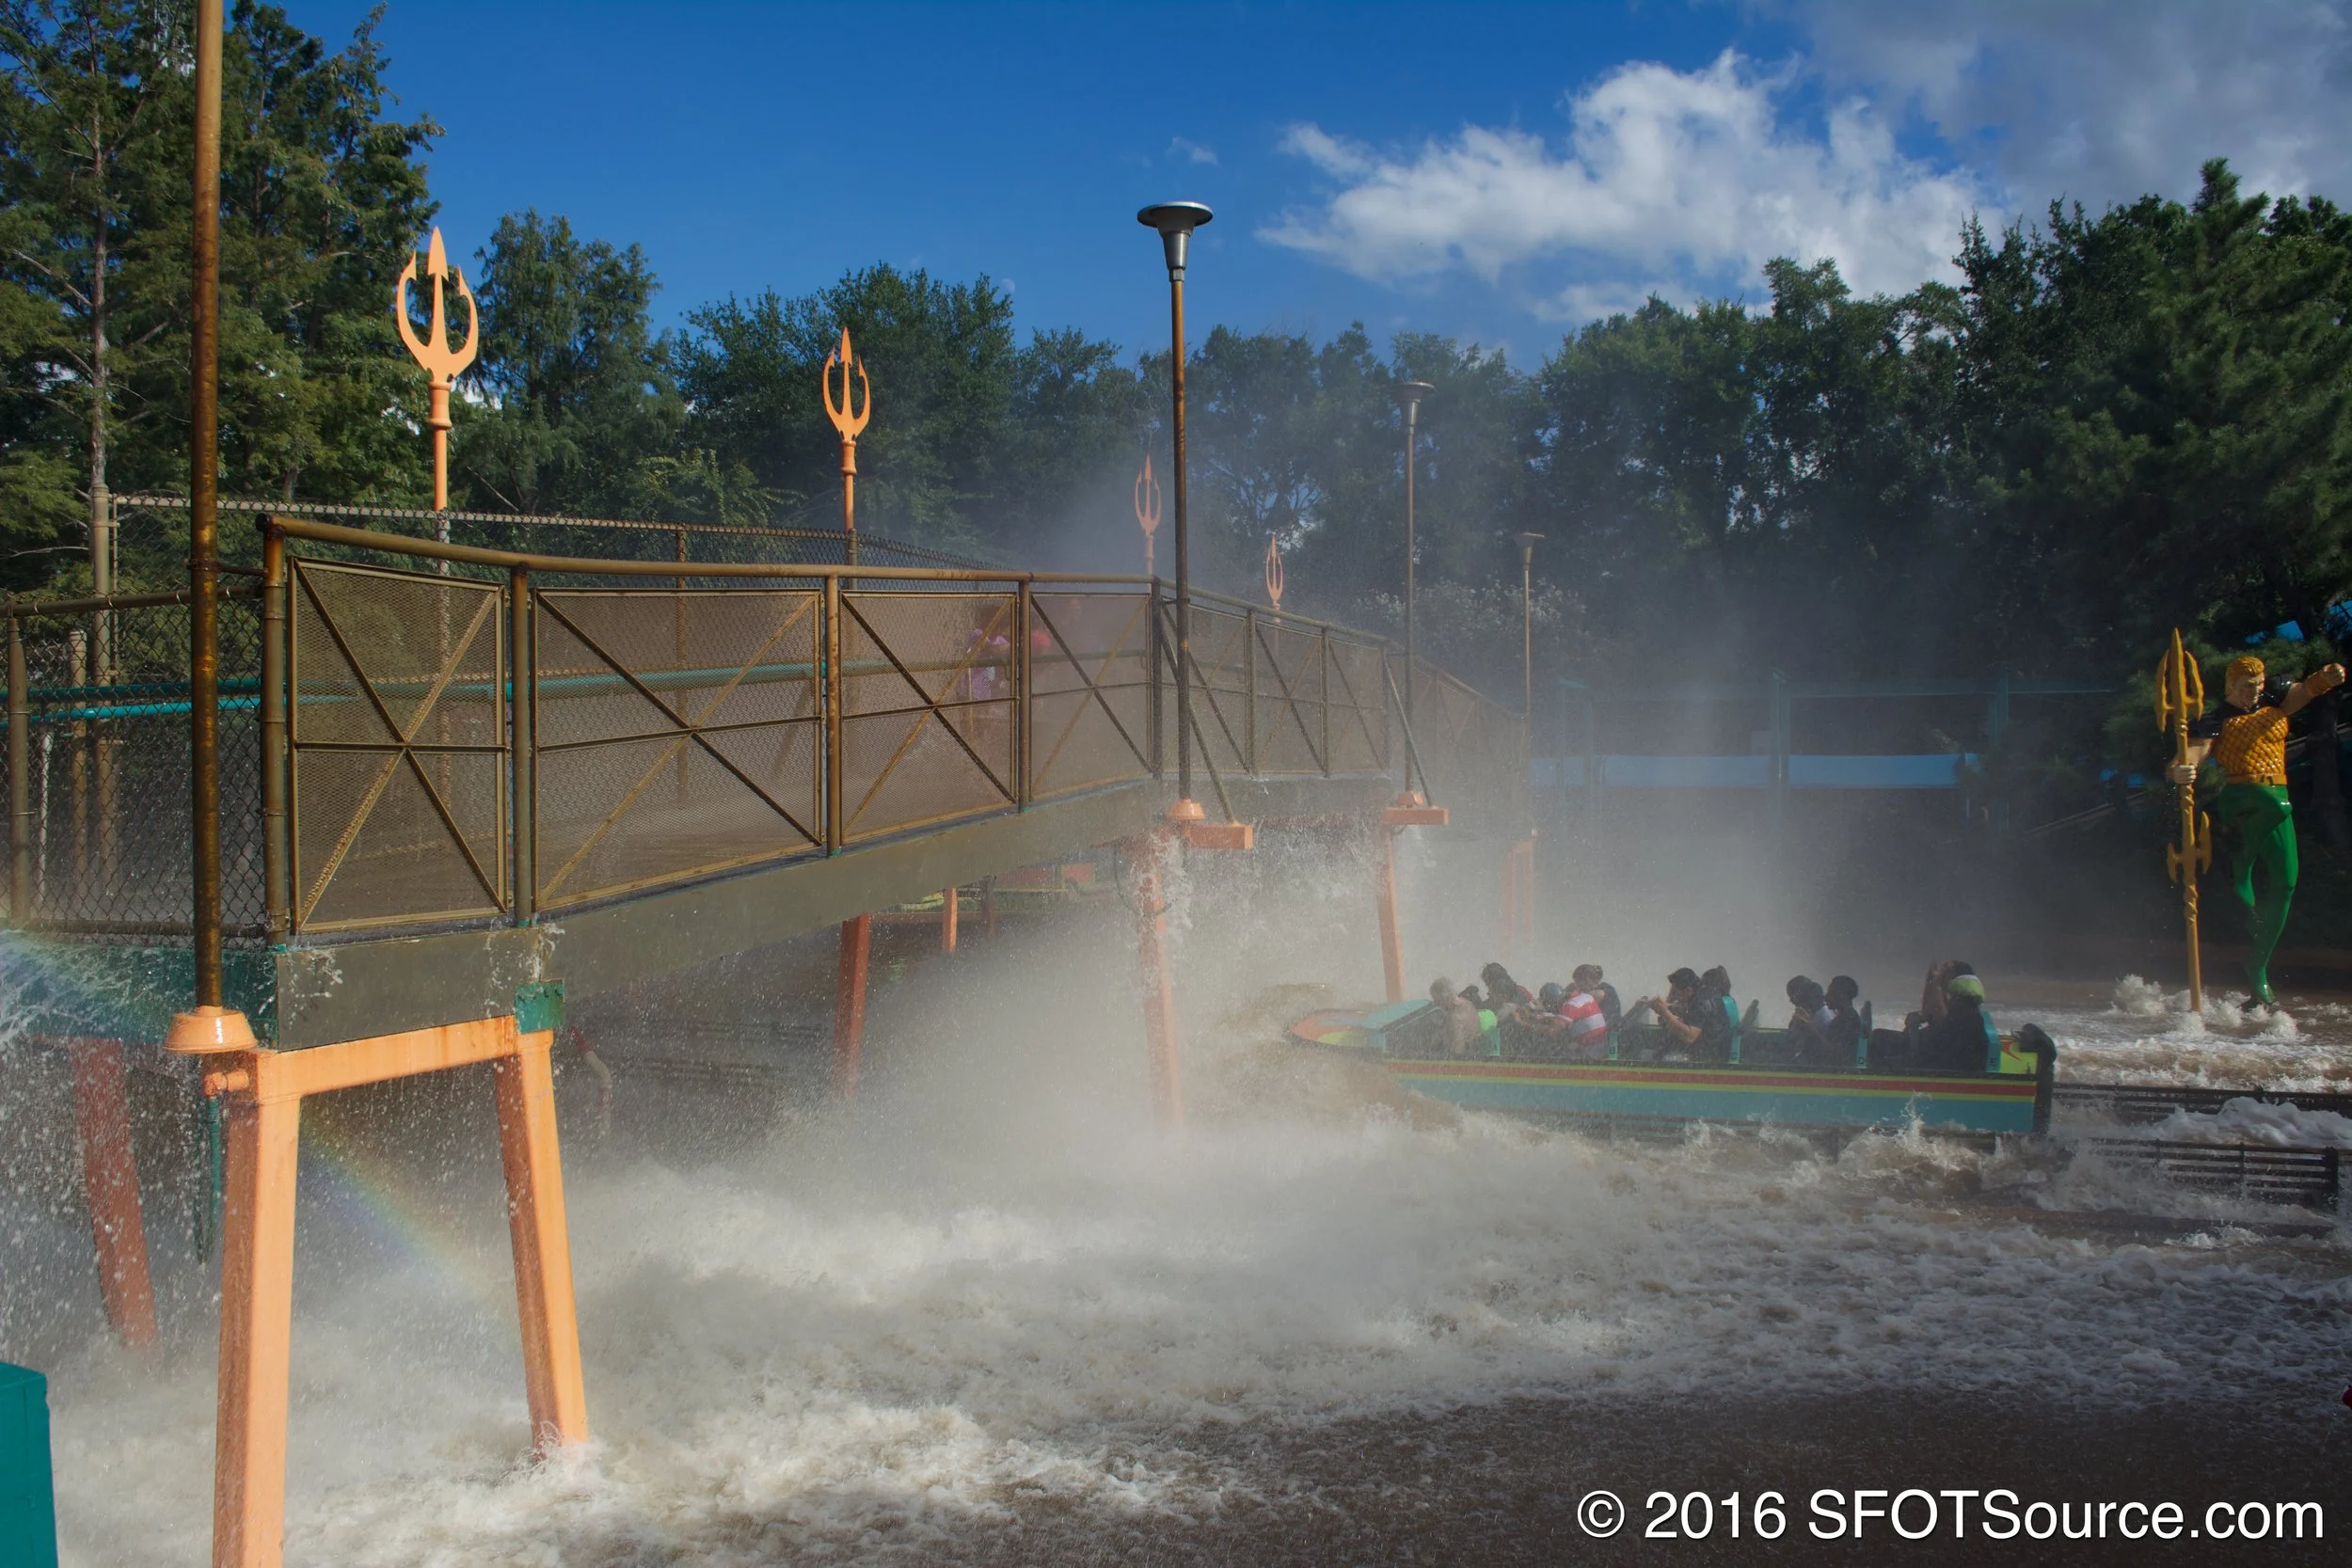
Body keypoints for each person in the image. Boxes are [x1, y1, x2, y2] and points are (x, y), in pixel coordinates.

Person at [2173, 654, 2349, 1005]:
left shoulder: (2273, 702)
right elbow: (2193, 753)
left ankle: (2258, 965)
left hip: (2278, 796)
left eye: (2257, 685)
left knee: (2286, 883)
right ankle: (2242, 877)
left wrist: (2326, 678)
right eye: (2246, 686)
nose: (2253, 692)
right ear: (2231, 685)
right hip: (2242, 798)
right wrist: (2181, 768)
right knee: (2271, 812)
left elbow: (2305, 690)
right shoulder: (2216, 720)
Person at [1428, 977, 1485, 1056]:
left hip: (1463, 1059)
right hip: (1474, 1054)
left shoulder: (1456, 1016)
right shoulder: (1468, 1004)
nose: (1437, 1005)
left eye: (1437, 1001)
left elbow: (1458, 1049)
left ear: (1443, 997)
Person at [1572, 964, 1624, 1034]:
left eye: (1579, 985)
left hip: (1606, 1034)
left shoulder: (1597, 994)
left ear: (1587, 981)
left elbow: (1575, 1007)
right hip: (1611, 1030)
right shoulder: (1606, 987)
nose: (1579, 989)